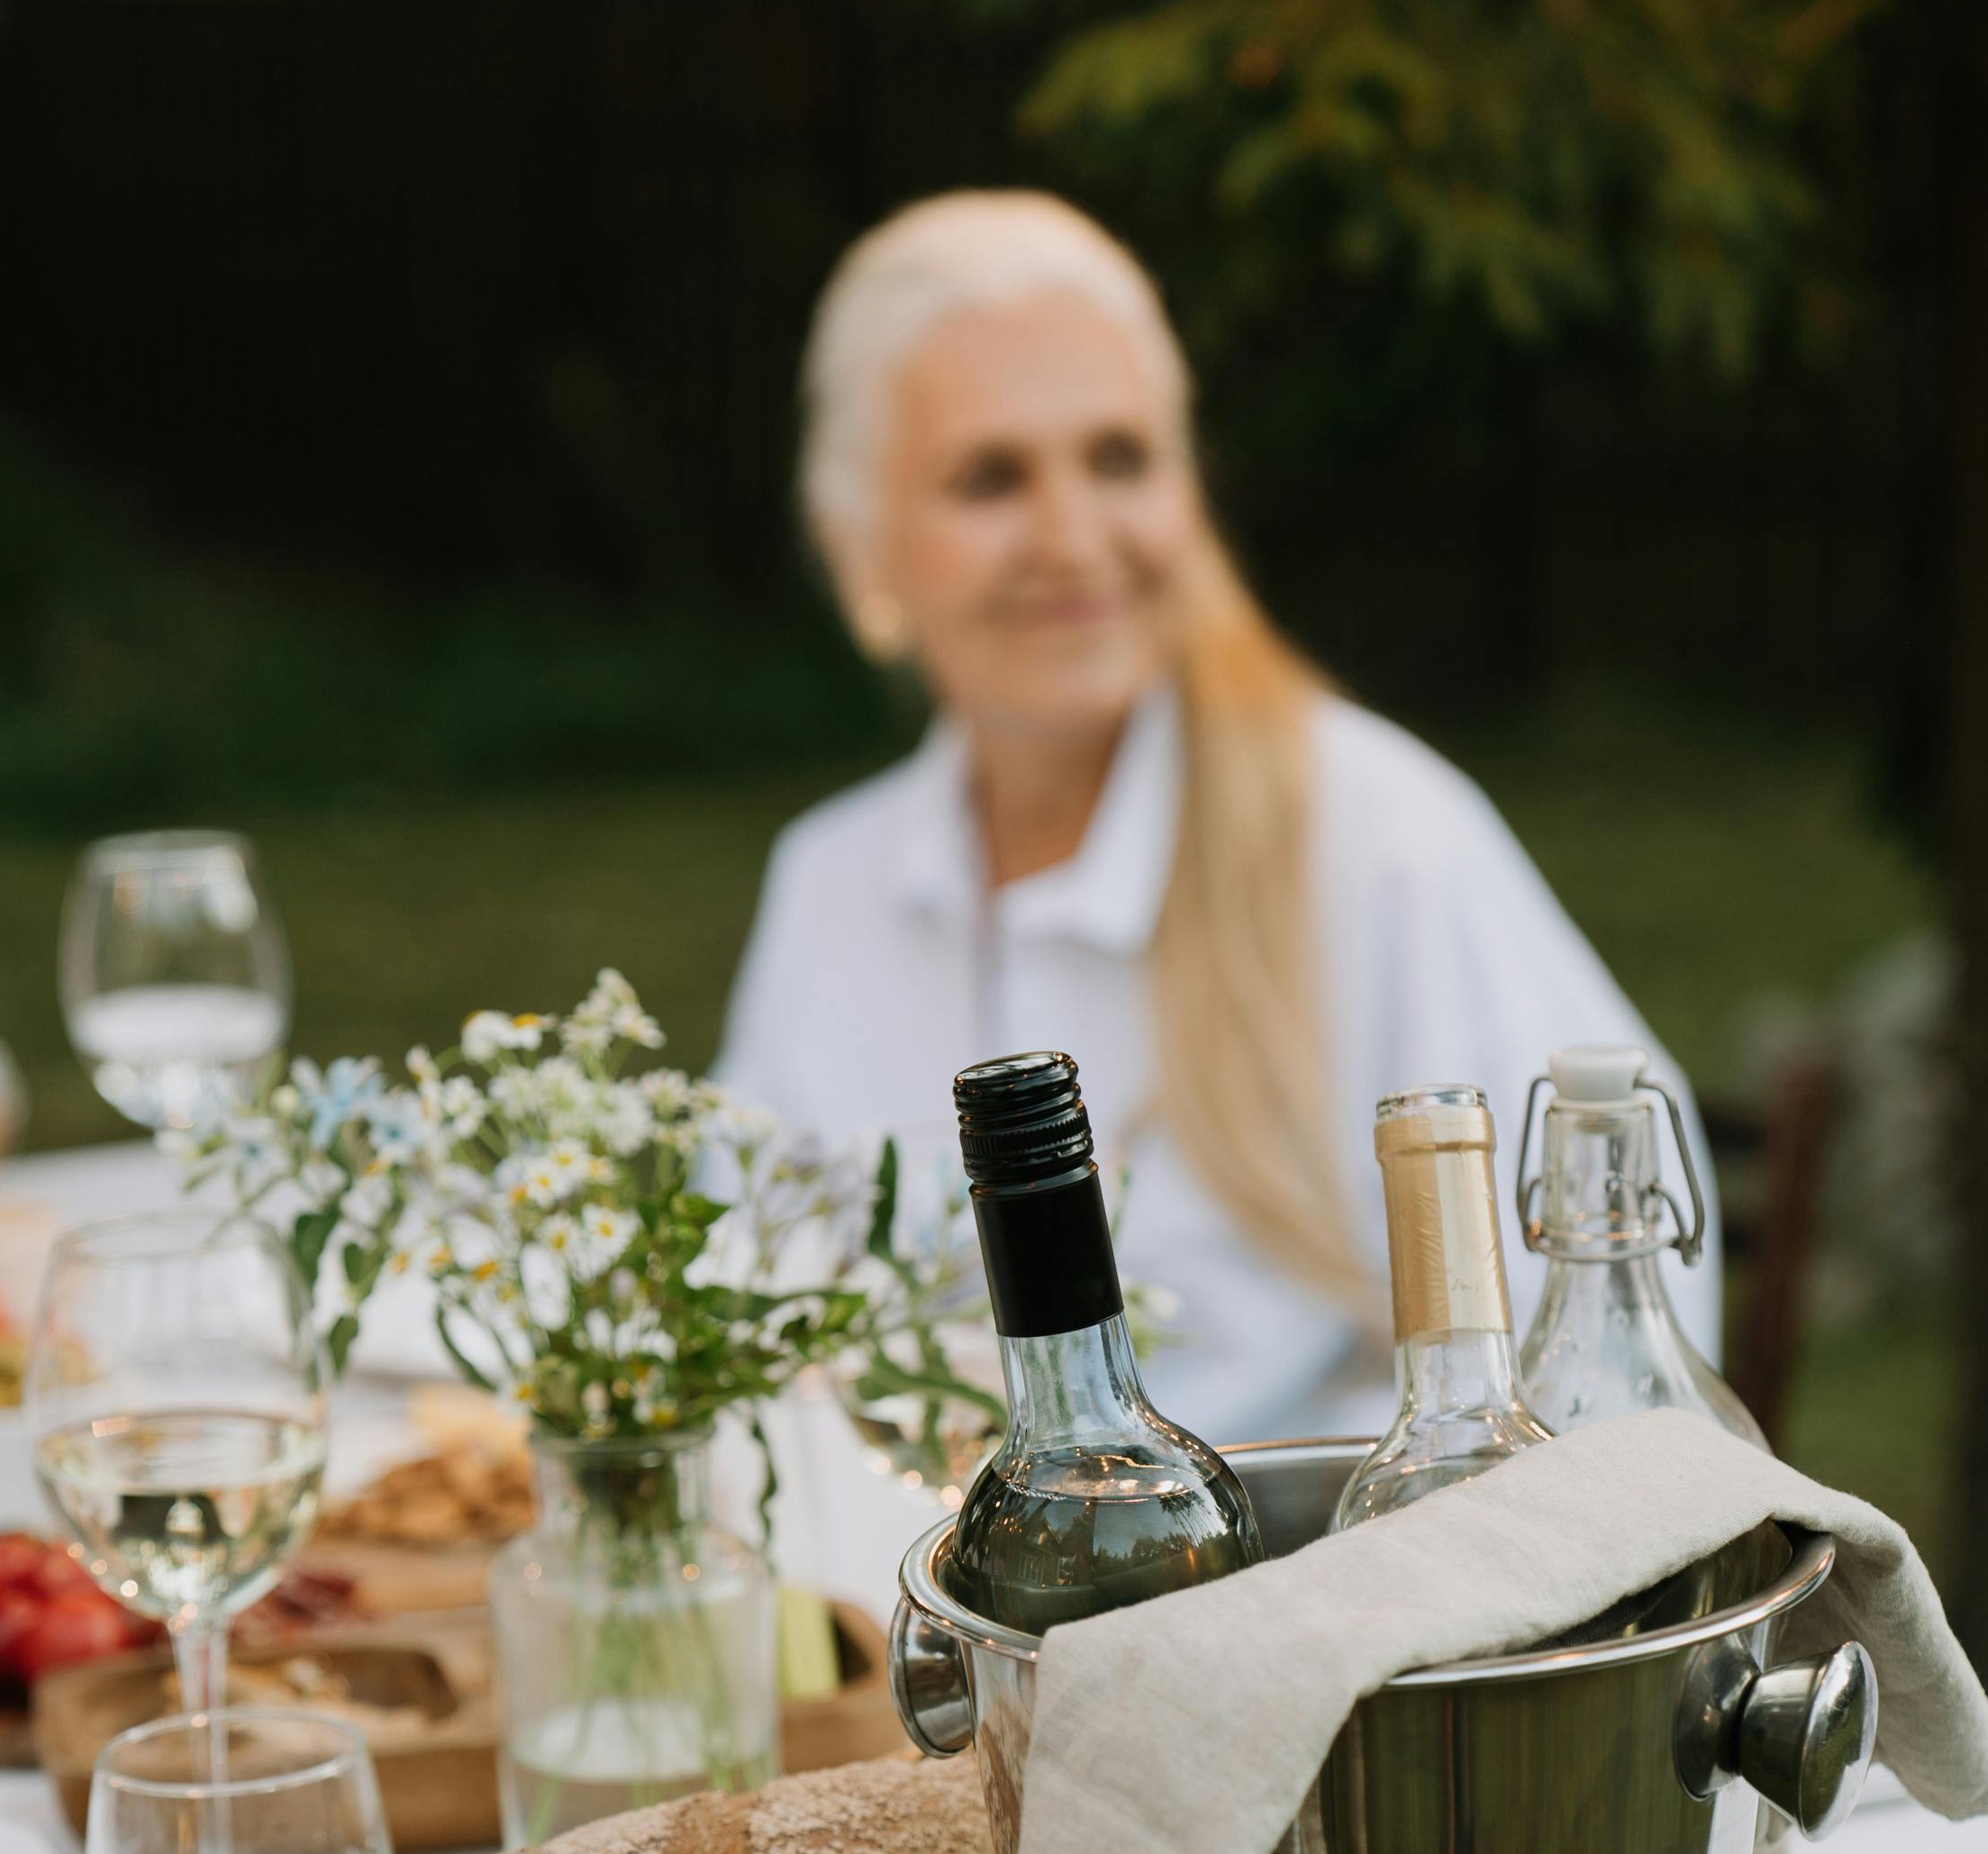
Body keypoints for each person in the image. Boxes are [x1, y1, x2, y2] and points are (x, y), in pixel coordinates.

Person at [716, 191, 1718, 1444]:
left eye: (1119, 459)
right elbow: (733, 1300)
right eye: (990, 478)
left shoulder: (1372, 840)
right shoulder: (831, 878)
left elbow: (1622, 1335)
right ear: (861, 552)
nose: (1073, 537)